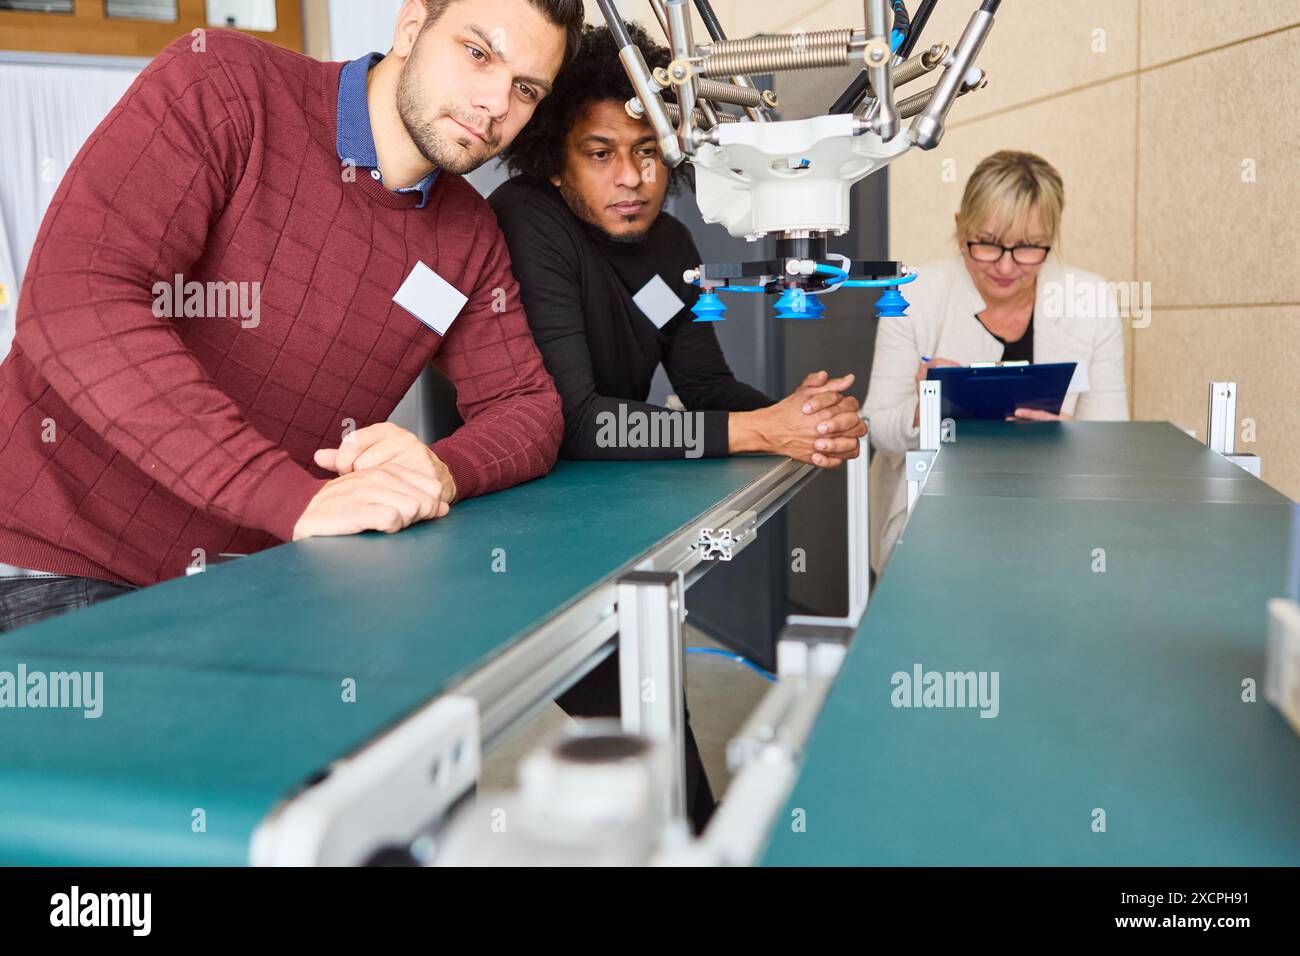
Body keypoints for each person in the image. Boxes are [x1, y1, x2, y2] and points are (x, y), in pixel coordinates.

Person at [0, 0, 587, 633]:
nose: (496, 103)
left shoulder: (469, 236)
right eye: (478, 53)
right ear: (412, 28)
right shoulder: (226, 85)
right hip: (59, 560)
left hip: (261, 578)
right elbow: (78, 298)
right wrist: (293, 500)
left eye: (525, 88)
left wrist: (439, 468)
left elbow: (527, 406)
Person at [488, 23, 869, 834]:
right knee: (637, 706)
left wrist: (797, 414)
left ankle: (693, 832)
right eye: (600, 153)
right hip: (512, 533)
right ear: (555, 159)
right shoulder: (527, 221)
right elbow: (575, 423)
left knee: (648, 704)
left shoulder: (673, 243)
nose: (632, 178)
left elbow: (703, 387)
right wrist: (766, 430)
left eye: (648, 152)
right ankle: (696, 833)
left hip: (602, 519)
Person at [863, 150, 1129, 573]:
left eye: (1027, 248)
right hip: (935, 520)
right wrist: (926, 406)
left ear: (1051, 240)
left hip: (1053, 520)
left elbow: (1112, 444)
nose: (1005, 266)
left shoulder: (1091, 301)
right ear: (959, 227)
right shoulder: (912, 296)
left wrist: (1066, 440)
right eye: (986, 244)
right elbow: (877, 428)